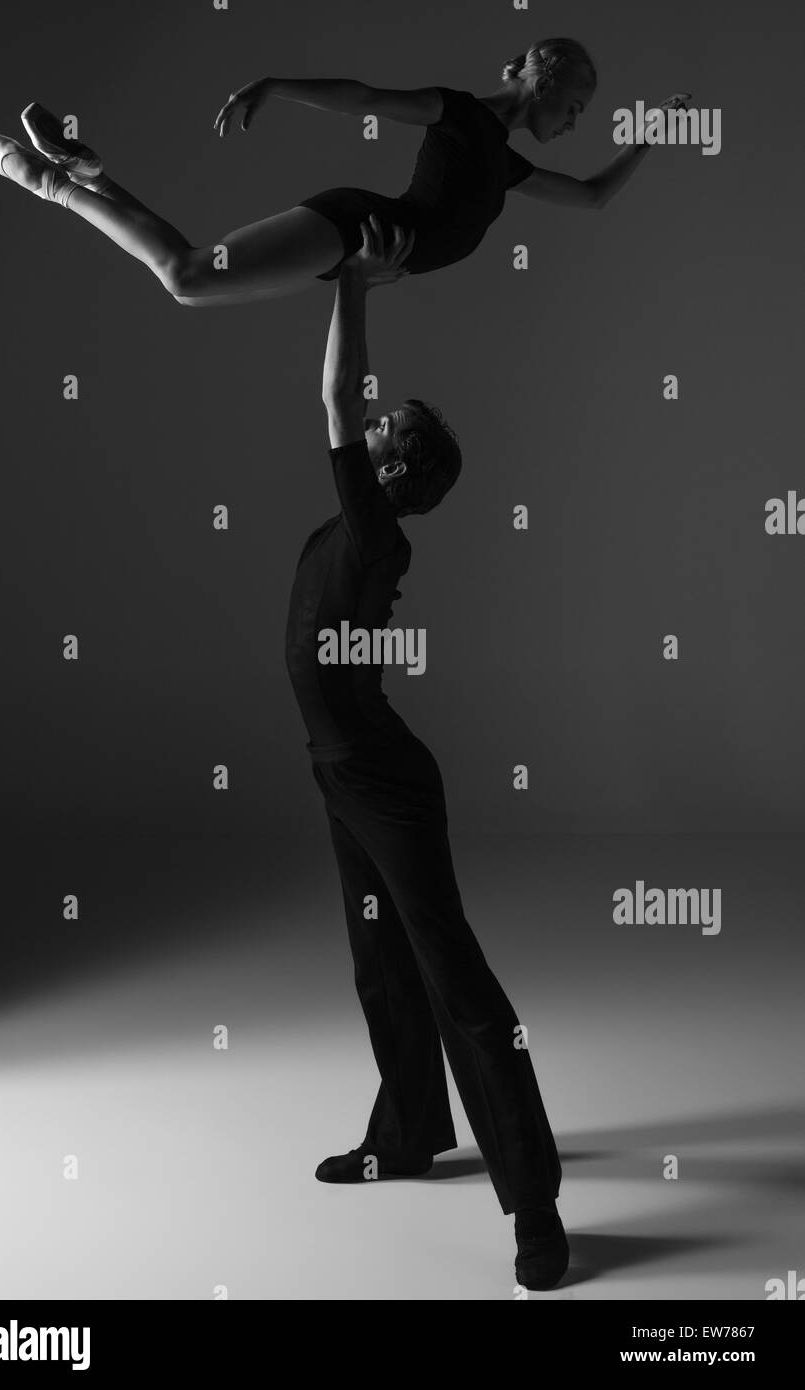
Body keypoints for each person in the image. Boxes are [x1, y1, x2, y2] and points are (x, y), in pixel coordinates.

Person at [285, 215, 566, 1290]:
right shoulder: (361, 530)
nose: (371, 419)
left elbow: (332, 399)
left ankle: (532, 1204)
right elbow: (343, 408)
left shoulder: (375, 531)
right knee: (378, 964)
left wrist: (353, 285)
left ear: (394, 464)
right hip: (339, 772)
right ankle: (406, 1133)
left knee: (453, 976)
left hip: (384, 783)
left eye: (384, 425)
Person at [0, 39, 688, 308]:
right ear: (547, 80)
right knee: (188, 279)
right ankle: (52, 182)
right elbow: (367, 97)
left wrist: (650, 136)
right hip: (357, 226)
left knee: (190, 274)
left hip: (361, 253)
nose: (575, 124)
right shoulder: (463, 113)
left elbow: (592, 196)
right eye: (577, 106)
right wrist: (276, 82)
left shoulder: (507, 165)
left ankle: (88, 174)